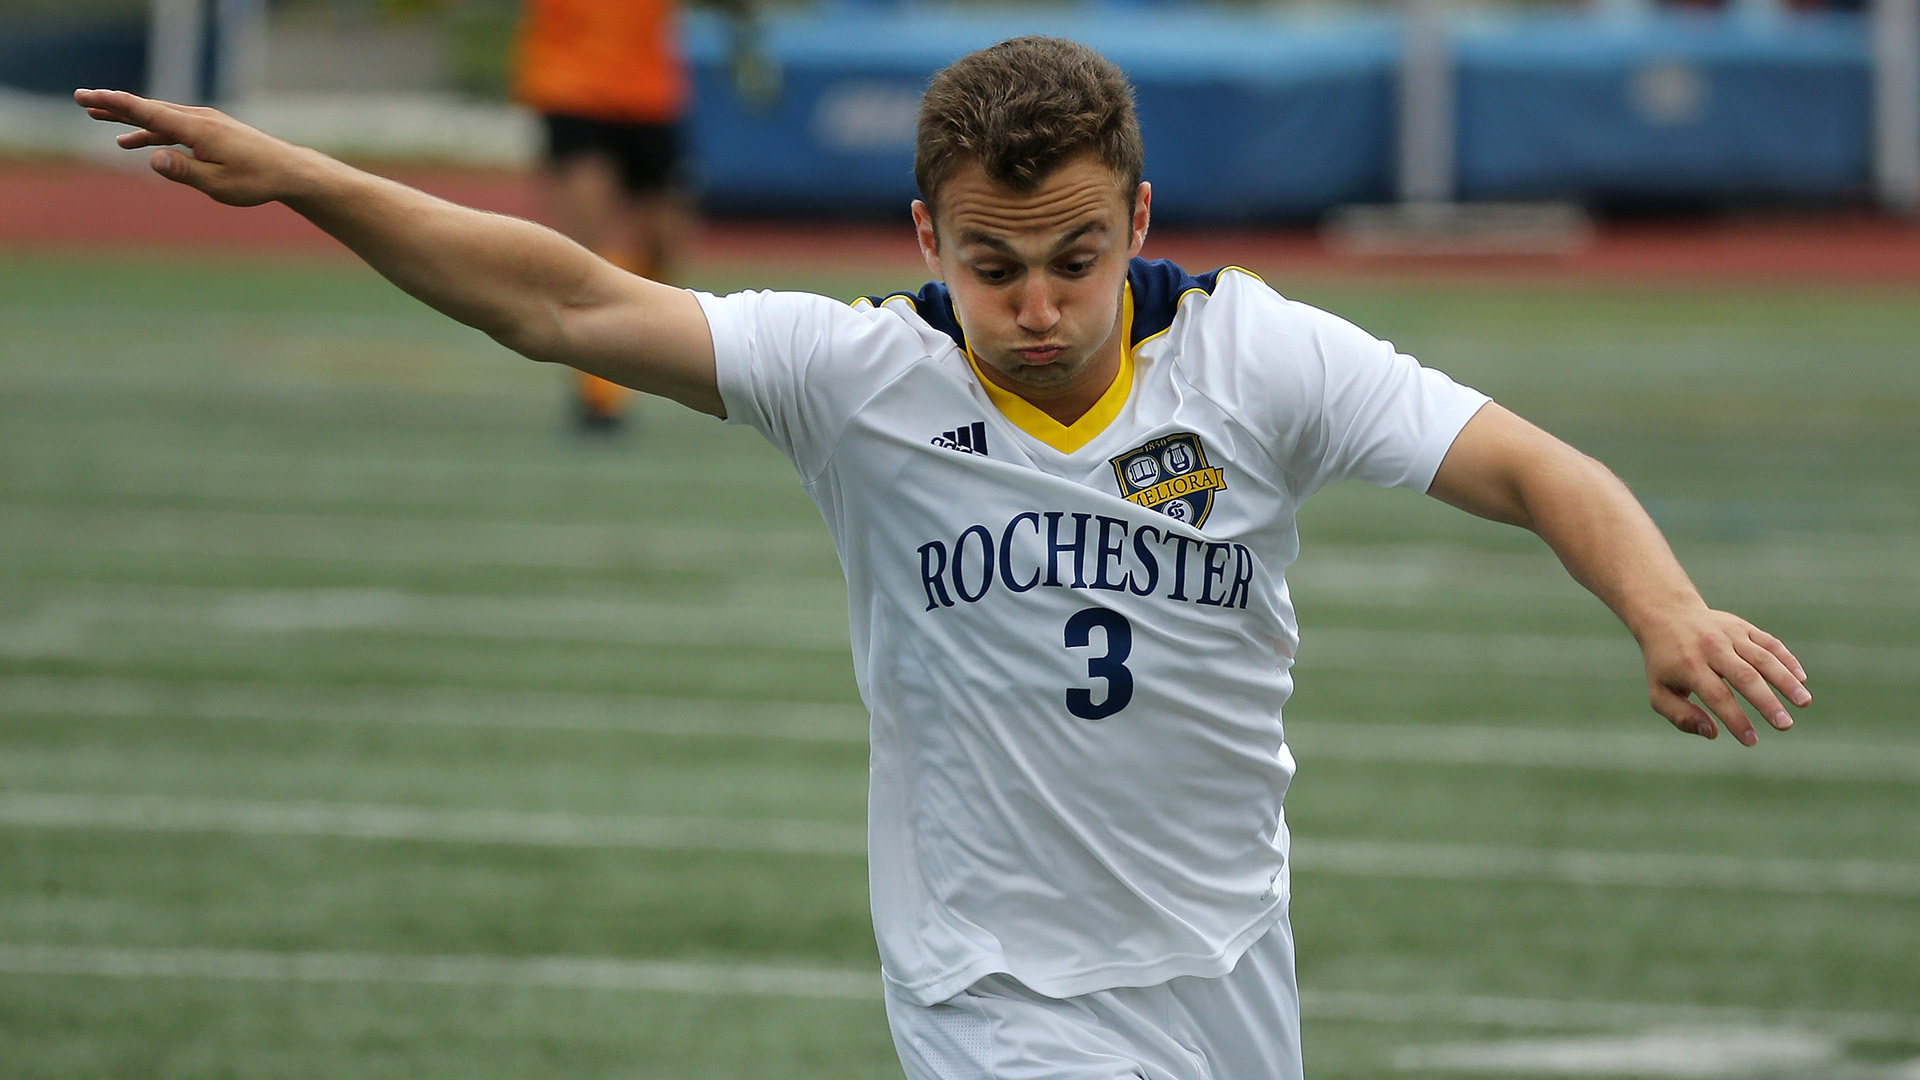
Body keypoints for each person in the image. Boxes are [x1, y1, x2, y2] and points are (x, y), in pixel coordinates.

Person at [75, 37, 1809, 1079]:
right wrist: (307, 174)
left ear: (1138, 218)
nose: (1038, 305)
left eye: (1073, 256)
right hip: (992, 979)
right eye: (995, 266)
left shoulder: (1260, 355)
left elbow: (1527, 461)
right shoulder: (862, 378)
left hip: (1223, 959)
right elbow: (566, 299)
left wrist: (1660, 604)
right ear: (928, 239)